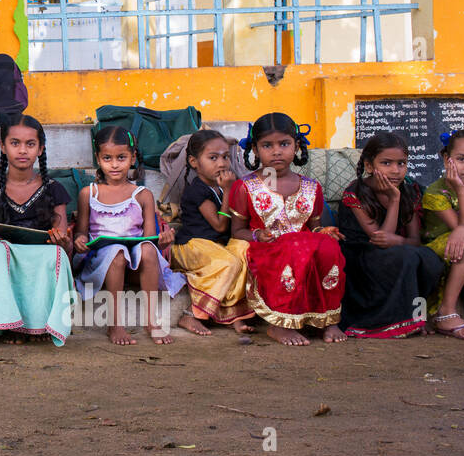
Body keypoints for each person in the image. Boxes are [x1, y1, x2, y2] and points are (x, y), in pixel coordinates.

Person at [227, 112, 347, 346]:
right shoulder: (245, 187)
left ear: (297, 146)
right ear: (255, 149)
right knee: (294, 249)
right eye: (267, 145)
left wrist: (324, 232)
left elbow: (314, 228)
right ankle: (279, 325)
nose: (276, 151)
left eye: (284, 144)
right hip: (267, 249)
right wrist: (257, 234)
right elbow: (236, 231)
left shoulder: (312, 187)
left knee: (328, 247)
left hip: (301, 247)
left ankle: (329, 320)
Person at [73, 126, 185, 346]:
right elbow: (81, 232)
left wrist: (162, 241)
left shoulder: (143, 195)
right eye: (107, 158)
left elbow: (151, 239)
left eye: (121, 158)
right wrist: (80, 240)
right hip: (102, 265)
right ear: (98, 159)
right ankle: (115, 325)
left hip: (135, 267)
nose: (114, 164)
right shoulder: (89, 194)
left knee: (146, 249)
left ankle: (151, 321)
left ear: (132, 158)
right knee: (116, 252)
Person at [0, 115, 76, 345]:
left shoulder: (54, 189)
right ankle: (10, 326)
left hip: (39, 255)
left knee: (56, 255)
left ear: (40, 149)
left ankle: (41, 325)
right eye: (15, 143)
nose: (22, 150)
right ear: (3, 147)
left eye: (30, 144)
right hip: (4, 255)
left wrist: (62, 240)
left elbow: (63, 241)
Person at [339, 132, 443, 339]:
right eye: (386, 163)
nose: (395, 170)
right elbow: (380, 240)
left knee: (430, 259)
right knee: (405, 257)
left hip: (397, 249)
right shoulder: (355, 192)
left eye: (401, 163)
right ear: (369, 166)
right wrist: (394, 200)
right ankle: (396, 321)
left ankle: (416, 318)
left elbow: (414, 240)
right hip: (361, 255)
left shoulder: (410, 190)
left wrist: (399, 240)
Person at [169, 129, 256, 336]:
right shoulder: (197, 190)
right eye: (213, 158)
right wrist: (228, 191)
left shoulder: (220, 187)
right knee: (228, 263)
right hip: (192, 246)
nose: (222, 163)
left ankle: (234, 315)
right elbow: (219, 226)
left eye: (225, 157)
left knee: (246, 251)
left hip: (215, 246)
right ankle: (191, 314)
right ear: (194, 162)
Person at [419, 129, 464, 339]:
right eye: (461, 159)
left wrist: (463, 229)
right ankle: (446, 312)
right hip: (440, 248)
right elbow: (461, 224)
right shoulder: (435, 193)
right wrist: (460, 190)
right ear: (446, 159)